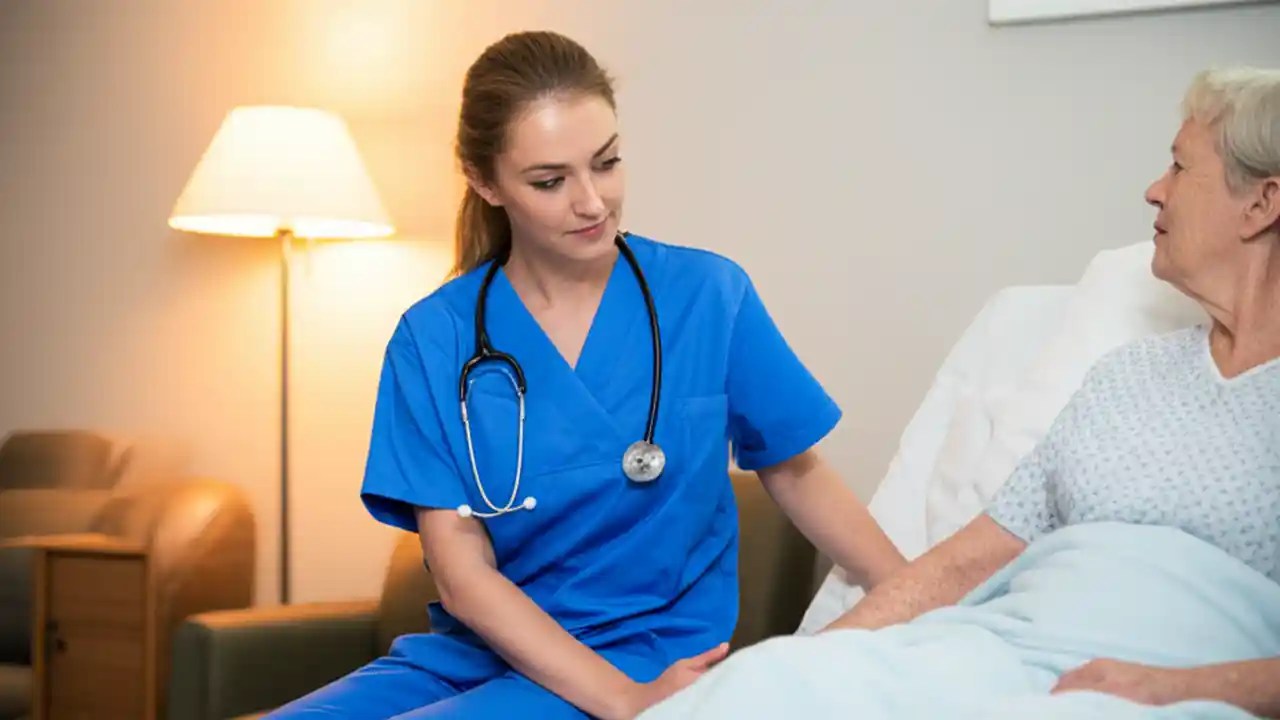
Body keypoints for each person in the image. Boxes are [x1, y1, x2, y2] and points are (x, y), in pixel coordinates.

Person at [265, 30, 905, 720]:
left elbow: (795, 471)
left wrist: (918, 595)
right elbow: (461, 574)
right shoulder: (435, 337)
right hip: (472, 654)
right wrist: (621, 702)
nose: (593, 202)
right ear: (484, 182)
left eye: (606, 163)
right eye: (550, 181)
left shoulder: (707, 295)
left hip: (643, 657)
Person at [637, 66, 1280, 719]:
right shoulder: (1126, 377)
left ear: (1261, 204)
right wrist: (815, 658)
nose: (1153, 190)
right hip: (994, 651)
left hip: (1164, 684)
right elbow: (970, 559)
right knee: (760, 684)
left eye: (1178, 167)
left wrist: (1180, 689)